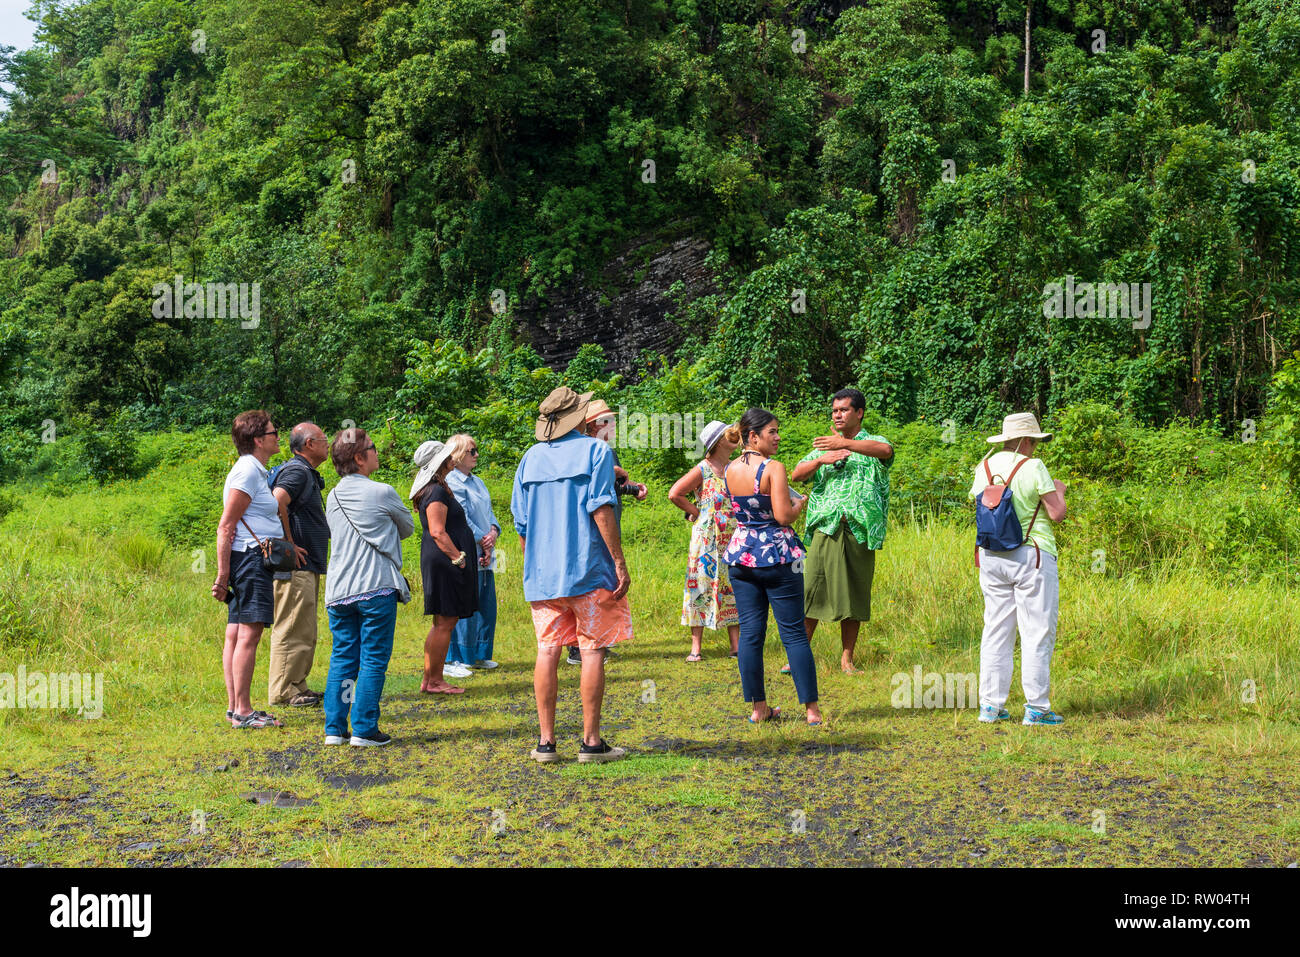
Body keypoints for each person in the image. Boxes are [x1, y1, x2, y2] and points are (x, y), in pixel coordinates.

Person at [512, 387, 632, 763]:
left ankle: (546, 743)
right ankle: (591, 742)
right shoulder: (597, 451)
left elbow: (522, 523)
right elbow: (601, 508)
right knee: (592, 648)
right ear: (580, 419)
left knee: (547, 649)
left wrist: (535, 566)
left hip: (543, 576)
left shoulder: (530, 458)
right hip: (588, 569)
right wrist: (619, 562)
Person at [723, 408, 822, 726]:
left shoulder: (728, 469)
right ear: (753, 437)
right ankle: (812, 711)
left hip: (741, 557)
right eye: (773, 432)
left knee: (751, 634)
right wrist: (797, 506)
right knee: (794, 633)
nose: (778, 437)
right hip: (779, 557)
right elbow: (782, 517)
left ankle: (758, 708)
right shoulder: (774, 468)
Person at [969, 412, 1067, 726]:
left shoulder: (984, 468)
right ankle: (1037, 708)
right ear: (1026, 440)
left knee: (996, 629)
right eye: (1034, 442)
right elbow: (1057, 514)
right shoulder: (1033, 467)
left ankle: (990, 707)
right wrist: (1060, 490)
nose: (1035, 448)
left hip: (991, 556)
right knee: (1036, 631)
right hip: (1031, 555)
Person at [322, 428, 415, 746]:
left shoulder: (332, 496)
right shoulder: (383, 492)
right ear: (360, 458)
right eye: (372, 448)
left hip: (339, 589)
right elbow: (407, 528)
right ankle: (363, 728)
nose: (378, 452)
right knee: (374, 657)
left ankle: (335, 729)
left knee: (343, 657)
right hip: (375, 585)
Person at [791, 388, 894, 673]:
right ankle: (798, 656)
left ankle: (847, 658)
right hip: (827, 525)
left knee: (855, 592)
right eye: (835, 410)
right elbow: (797, 474)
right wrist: (821, 459)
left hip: (860, 528)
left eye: (844, 410)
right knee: (813, 589)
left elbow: (885, 452)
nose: (838, 414)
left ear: (859, 413)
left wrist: (845, 445)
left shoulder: (874, 442)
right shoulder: (825, 446)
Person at [212, 410, 302, 729]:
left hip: (246, 559)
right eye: (273, 432)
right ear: (258, 440)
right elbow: (226, 526)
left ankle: (236, 707)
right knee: (249, 632)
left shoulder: (254, 470)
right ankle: (244, 711)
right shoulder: (247, 472)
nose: (279, 436)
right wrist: (223, 576)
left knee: (236, 632)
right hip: (249, 560)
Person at [566, 399, 645, 665]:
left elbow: (608, 487)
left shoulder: (604, 449)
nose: (612, 425)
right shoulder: (593, 450)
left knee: (600, 584)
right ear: (592, 424)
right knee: (592, 585)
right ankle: (581, 648)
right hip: (594, 527)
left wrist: (632, 489)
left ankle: (595, 642)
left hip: (604, 525)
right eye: (607, 421)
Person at [267, 422, 331, 707]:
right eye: (323, 438)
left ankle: (297, 685)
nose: (327, 443)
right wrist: (289, 543)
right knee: (292, 627)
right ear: (308, 444)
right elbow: (276, 501)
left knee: (303, 628)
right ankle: (283, 691)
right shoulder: (296, 471)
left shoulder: (304, 472)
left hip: (307, 565)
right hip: (295, 567)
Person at [667, 419, 740, 661]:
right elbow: (675, 493)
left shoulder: (735, 467)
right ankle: (696, 647)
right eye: (730, 435)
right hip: (707, 535)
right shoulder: (703, 468)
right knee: (700, 584)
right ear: (719, 442)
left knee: (732, 585)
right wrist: (697, 512)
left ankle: (736, 646)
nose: (735, 437)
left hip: (732, 534)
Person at [411, 439, 478, 693]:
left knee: (442, 622)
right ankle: (435, 681)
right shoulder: (436, 491)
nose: (452, 456)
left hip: (442, 560)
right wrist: (458, 558)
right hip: (444, 561)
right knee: (445, 622)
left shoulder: (437, 487)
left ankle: (430, 680)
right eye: (446, 455)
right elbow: (438, 531)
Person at [444, 433, 501, 673]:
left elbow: (489, 514)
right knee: (466, 605)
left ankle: (480, 653)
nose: (477, 455)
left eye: (477, 450)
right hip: (466, 551)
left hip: (484, 551)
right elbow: (462, 517)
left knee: (486, 605)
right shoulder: (452, 482)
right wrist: (483, 539)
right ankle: (458, 657)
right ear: (456, 456)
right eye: (472, 451)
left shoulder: (477, 482)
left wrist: (493, 533)